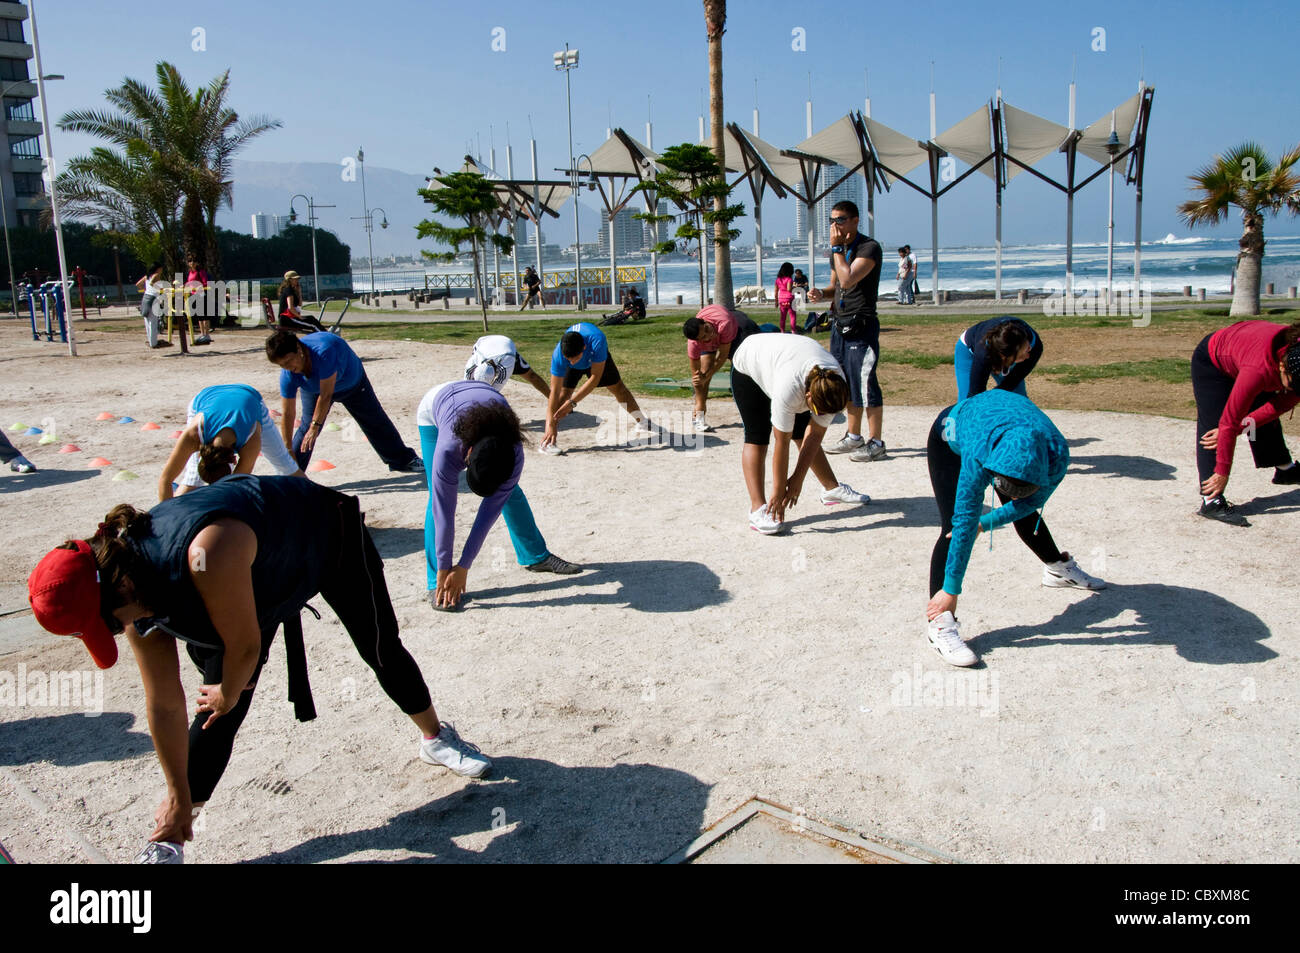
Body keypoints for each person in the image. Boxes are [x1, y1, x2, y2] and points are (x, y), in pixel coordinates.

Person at [27, 475, 492, 864]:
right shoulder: (128, 591)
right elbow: (165, 704)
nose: (115, 631)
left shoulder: (204, 551)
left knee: (379, 647)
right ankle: (170, 838)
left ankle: (435, 738)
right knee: (217, 713)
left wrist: (228, 689)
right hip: (255, 574)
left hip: (323, 535)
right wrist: (175, 793)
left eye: (107, 623)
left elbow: (245, 647)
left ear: (120, 587)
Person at [925, 390, 1105, 667]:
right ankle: (940, 622)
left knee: (1024, 510)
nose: (1016, 497)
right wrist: (951, 589)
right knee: (952, 528)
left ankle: (1057, 568)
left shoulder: (1056, 453)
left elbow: (1032, 501)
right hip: (955, 434)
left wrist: (984, 524)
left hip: (1006, 428)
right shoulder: (979, 454)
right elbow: (964, 521)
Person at [418, 380, 581, 610]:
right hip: (436, 405)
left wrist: (464, 565)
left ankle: (534, 556)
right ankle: (437, 581)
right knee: (437, 498)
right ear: (469, 453)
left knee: (509, 493)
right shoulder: (448, 451)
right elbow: (443, 511)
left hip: (483, 407)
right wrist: (447, 567)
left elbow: (488, 513)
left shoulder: (514, 454)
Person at [730, 333, 871, 534]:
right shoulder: (788, 390)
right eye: (818, 411)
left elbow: (813, 436)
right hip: (749, 365)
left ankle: (831, 489)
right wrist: (778, 493)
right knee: (758, 437)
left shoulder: (834, 384)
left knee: (801, 433)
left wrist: (797, 479)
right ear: (808, 396)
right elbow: (782, 443)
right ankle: (758, 508)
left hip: (786, 361)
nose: (822, 416)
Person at [265, 329, 424, 473]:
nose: (286, 367)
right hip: (314, 388)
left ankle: (403, 460)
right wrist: (288, 450)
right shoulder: (288, 374)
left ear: (299, 350)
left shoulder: (323, 352)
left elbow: (326, 395)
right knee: (306, 429)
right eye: (281, 365)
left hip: (351, 383)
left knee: (374, 420)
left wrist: (315, 426)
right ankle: (291, 475)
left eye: (288, 361)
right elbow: (288, 413)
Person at [1192, 320, 1300, 526]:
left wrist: (1242, 428)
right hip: (1213, 362)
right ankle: (1211, 500)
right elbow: (1229, 421)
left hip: (1247, 354)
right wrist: (1222, 472)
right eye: (1293, 385)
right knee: (1214, 430)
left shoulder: (1296, 361)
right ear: (1282, 366)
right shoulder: (1257, 371)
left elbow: (1274, 408)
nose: (1295, 392)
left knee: (1262, 413)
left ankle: (1286, 470)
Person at [809, 200, 887, 464]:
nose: (835, 225)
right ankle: (854, 436)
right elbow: (837, 287)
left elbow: (848, 278)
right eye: (832, 220)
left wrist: (836, 250)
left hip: (861, 325)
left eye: (840, 219)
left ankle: (876, 441)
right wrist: (821, 293)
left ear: (855, 220)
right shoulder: (838, 252)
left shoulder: (869, 247)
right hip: (840, 324)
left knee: (865, 383)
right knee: (846, 382)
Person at [158, 384, 306, 501]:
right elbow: (165, 479)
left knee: (284, 463)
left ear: (234, 459)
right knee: (193, 477)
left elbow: (236, 488)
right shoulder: (192, 435)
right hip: (204, 399)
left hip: (250, 398)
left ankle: (320, 500)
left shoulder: (251, 440)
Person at [541, 322, 652, 453]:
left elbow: (595, 379)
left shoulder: (597, 341)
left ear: (584, 347)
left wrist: (572, 403)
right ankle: (548, 440)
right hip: (576, 354)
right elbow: (554, 391)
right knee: (562, 395)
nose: (571, 362)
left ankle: (642, 422)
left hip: (594, 360)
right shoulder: (559, 354)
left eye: (575, 359)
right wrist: (550, 425)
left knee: (618, 389)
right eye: (568, 359)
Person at [682, 305, 761, 432]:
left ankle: (758, 410)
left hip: (738, 327)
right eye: (703, 337)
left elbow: (722, 356)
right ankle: (699, 417)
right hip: (718, 331)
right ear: (697, 340)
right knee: (703, 374)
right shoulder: (694, 344)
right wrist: (700, 401)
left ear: (704, 321)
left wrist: (707, 376)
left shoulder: (725, 323)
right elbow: (696, 376)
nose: (709, 335)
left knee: (742, 368)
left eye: (707, 329)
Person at [955, 316, 1043, 401]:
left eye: (1028, 348)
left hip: (1002, 354)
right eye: (1020, 356)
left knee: (1018, 398)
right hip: (968, 350)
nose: (1028, 356)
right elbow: (975, 392)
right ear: (1004, 357)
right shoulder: (983, 354)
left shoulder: (1035, 348)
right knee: (967, 401)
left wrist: (996, 397)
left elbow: (1010, 384)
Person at [465, 334, 552, 399]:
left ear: (496, 372)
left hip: (505, 348)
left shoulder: (507, 364)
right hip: (483, 344)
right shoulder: (472, 363)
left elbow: (495, 390)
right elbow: (465, 386)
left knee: (531, 376)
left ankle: (555, 401)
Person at [136, 265, 170, 350]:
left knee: (147, 321)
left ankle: (151, 341)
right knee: (153, 322)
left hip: (145, 298)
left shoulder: (147, 276)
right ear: (158, 268)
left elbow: (138, 284)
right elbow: (152, 283)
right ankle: (154, 343)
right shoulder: (156, 275)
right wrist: (160, 289)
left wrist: (146, 290)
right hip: (153, 299)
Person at [186, 257, 212, 346]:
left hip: (201, 294)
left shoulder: (200, 272)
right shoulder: (190, 273)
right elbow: (189, 283)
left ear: (197, 263)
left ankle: (207, 334)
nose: (192, 263)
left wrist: (198, 287)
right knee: (199, 315)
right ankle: (202, 334)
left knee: (204, 314)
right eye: (190, 261)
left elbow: (205, 283)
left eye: (194, 261)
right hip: (193, 295)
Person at [774, 262, 796, 333]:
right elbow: (789, 289)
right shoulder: (789, 279)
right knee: (792, 316)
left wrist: (776, 302)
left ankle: (782, 331)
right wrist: (794, 287)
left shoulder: (778, 280)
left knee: (783, 317)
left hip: (781, 299)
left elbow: (776, 292)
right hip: (790, 299)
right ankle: (793, 331)